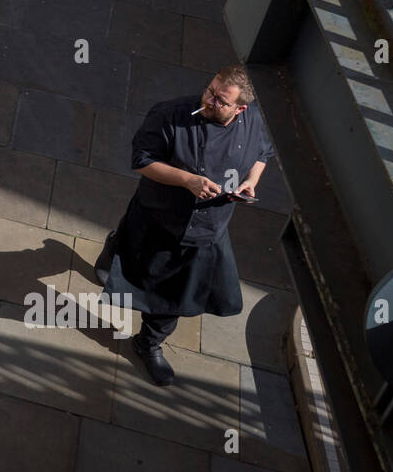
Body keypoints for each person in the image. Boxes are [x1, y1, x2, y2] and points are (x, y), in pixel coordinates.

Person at [95, 64, 273, 386]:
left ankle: (148, 343)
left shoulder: (254, 122)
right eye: (210, 91)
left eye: (221, 100)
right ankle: (114, 249)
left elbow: (263, 153)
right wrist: (187, 180)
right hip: (158, 216)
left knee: (172, 298)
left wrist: (250, 181)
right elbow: (142, 161)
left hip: (207, 230)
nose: (209, 100)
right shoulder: (170, 114)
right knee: (134, 257)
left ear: (240, 109)